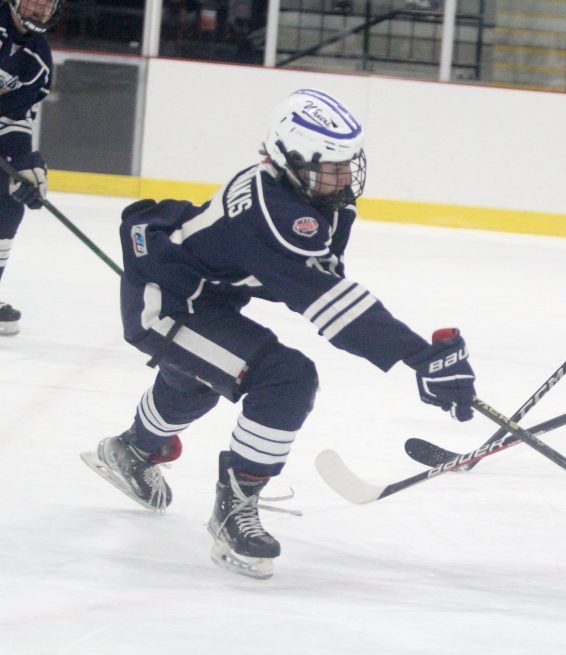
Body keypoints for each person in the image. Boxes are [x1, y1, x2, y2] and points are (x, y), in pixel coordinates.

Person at [80, 89, 477, 579]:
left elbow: (322, 278)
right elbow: (327, 302)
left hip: (203, 292)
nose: (343, 176)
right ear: (287, 157)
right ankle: (236, 503)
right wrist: (418, 354)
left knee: (197, 383)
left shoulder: (311, 195)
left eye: (347, 164)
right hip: (166, 303)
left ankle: (130, 449)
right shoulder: (273, 212)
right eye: (329, 166)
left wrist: (416, 353)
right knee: (285, 378)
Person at [0, 0, 60, 335]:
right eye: (32, 0)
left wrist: (26, 166)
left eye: (46, 5)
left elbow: (13, 117)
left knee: (9, 200)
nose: (38, 9)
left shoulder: (38, 60)